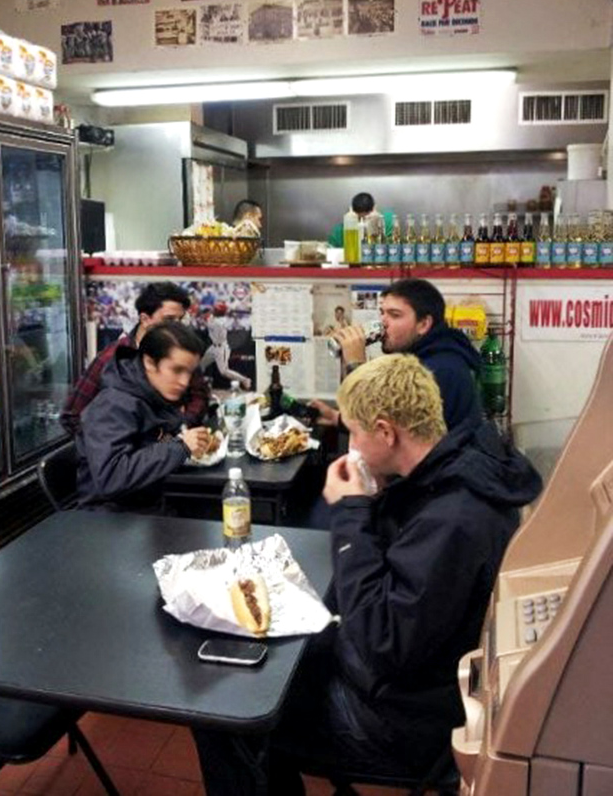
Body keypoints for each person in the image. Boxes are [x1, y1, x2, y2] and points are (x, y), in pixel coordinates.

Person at [192, 354, 542, 795]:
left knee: (224, 714)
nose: (352, 446)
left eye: (355, 432)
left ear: (385, 431)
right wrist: (375, 499)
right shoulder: (449, 471)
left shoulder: (455, 519)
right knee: (273, 658)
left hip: (403, 721)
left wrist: (351, 512)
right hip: (414, 680)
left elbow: (383, 642)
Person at [314, 278, 482, 431]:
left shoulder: (440, 369)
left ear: (423, 324)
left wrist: (356, 366)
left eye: (394, 315)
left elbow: (384, 436)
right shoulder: (415, 357)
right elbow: (384, 415)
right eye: (382, 313)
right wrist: (338, 419)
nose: (383, 322)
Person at [76, 322, 211, 511]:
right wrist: (181, 447)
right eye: (177, 370)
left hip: (149, 503)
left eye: (189, 372)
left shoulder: (152, 391)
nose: (185, 382)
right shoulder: (113, 405)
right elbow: (111, 477)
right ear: (149, 362)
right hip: (111, 518)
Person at [60, 281, 208, 436]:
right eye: (169, 320)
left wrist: (181, 425)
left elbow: (199, 396)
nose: (177, 327)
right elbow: (72, 416)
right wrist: (106, 444)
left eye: (181, 320)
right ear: (145, 319)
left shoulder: (182, 352)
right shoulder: (112, 357)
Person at [327, 192, 394, 248]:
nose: (363, 222)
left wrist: (376, 226)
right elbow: (331, 250)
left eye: (366, 218)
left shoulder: (388, 219)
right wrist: (350, 224)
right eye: (359, 218)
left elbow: (392, 247)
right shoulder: (340, 230)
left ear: (374, 209)